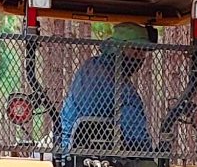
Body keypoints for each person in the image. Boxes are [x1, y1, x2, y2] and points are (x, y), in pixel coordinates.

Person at [59, 22, 156, 150]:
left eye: (143, 52)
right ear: (118, 49)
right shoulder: (124, 91)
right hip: (100, 153)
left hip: (64, 145)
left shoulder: (89, 67)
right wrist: (148, 152)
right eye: (136, 51)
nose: (140, 57)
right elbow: (135, 136)